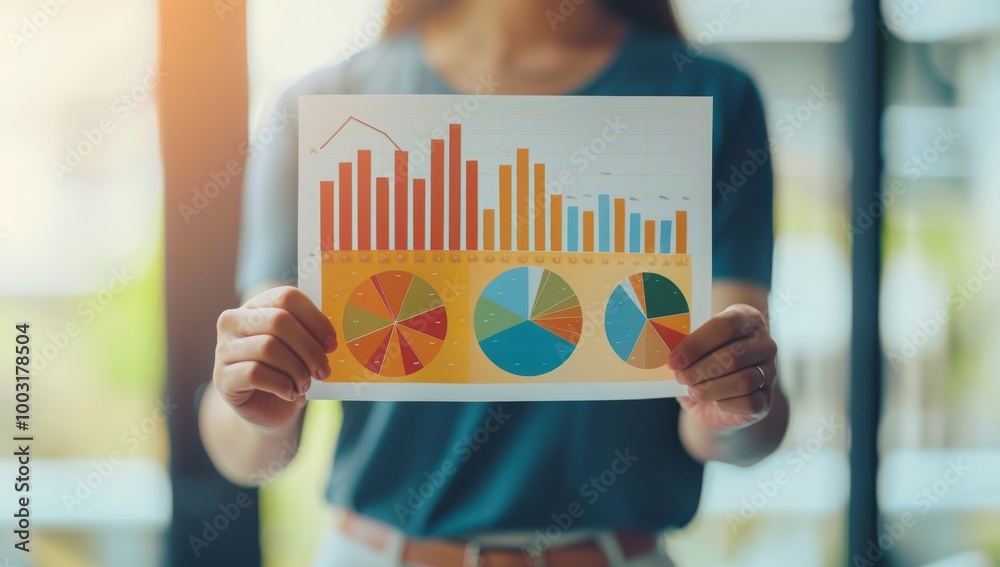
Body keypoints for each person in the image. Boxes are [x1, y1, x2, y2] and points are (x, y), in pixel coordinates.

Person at [200, 0, 788, 565]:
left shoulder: (712, 95)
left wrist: (734, 409)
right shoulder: (322, 106)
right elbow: (249, 449)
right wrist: (253, 402)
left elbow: (741, 419)